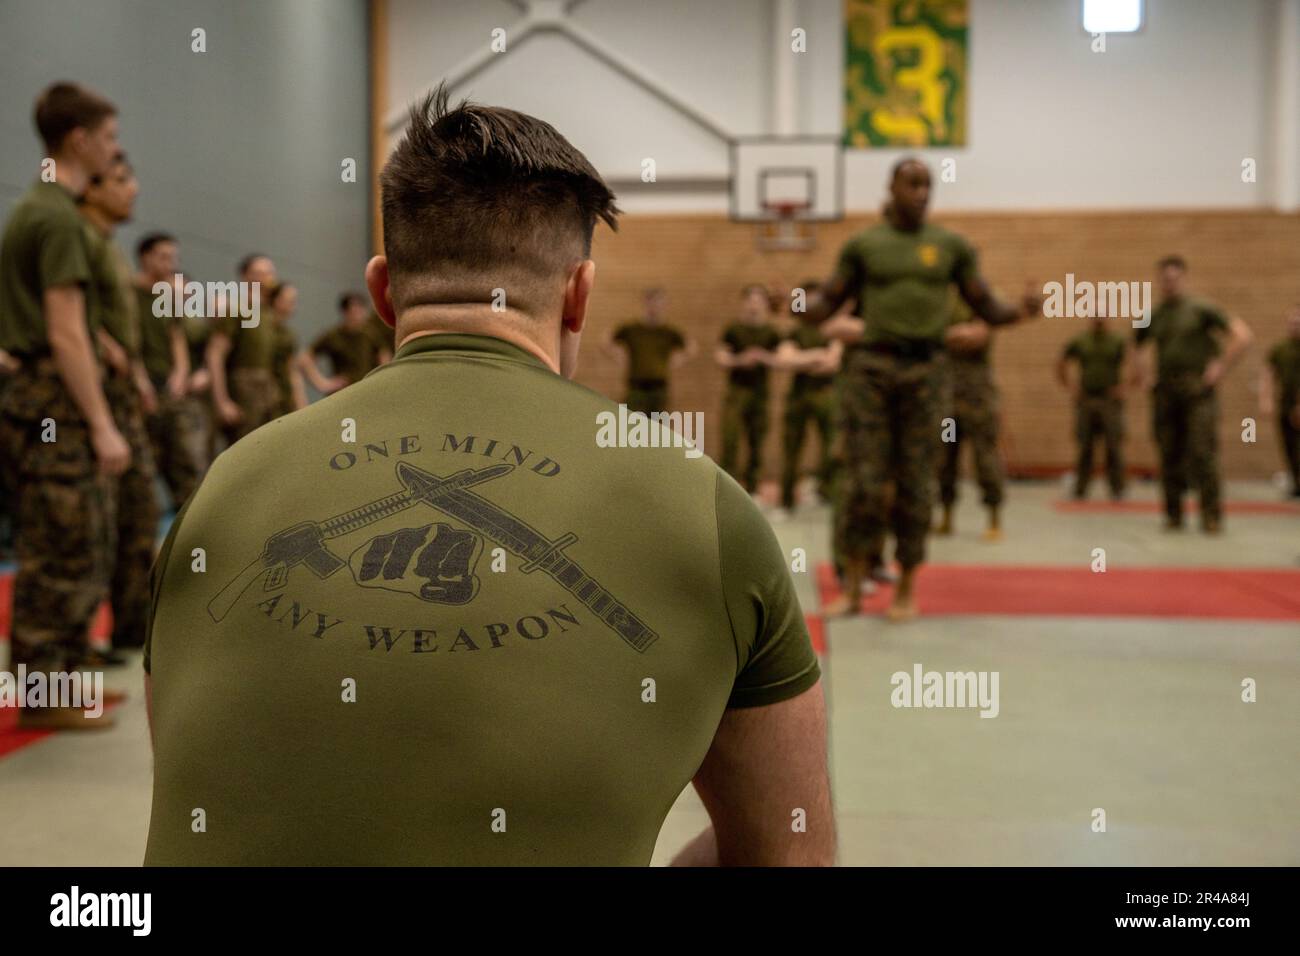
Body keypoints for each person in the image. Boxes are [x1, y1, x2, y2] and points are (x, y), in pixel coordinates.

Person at [144, 88, 833, 866]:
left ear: (381, 292)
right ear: (579, 297)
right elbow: (794, 852)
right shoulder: (705, 507)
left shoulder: (222, 488)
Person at [795, 157, 1039, 621]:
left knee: (916, 481)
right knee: (862, 482)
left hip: (927, 373)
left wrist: (1023, 311)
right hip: (870, 370)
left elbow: (985, 303)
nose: (922, 192)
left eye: (927, 184)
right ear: (892, 187)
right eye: (913, 184)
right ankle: (854, 583)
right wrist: (792, 303)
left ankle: (906, 584)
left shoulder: (951, 247)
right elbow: (827, 302)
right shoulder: (865, 245)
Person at [0, 82, 126, 730]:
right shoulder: (56, 217)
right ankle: (46, 700)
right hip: (55, 404)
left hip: (36, 397)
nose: (114, 149)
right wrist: (102, 424)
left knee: (71, 541)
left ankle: (65, 684)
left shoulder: (41, 208)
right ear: (78, 139)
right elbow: (64, 329)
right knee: (63, 548)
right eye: (108, 137)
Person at [80, 152, 158, 660]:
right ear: (92, 187)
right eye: (122, 180)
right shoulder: (78, 238)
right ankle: (66, 654)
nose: (132, 189)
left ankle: (129, 626)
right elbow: (69, 315)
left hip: (123, 395)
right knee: (86, 525)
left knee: (137, 515)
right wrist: (108, 349)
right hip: (93, 399)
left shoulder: (109, 249)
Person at [1132, 256, 1252, 533]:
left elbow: (1242, 335)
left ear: (1183, 278)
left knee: (1202, 452)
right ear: (1159, 280)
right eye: (1165, 279)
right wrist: (1144, 376)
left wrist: (1220, 366)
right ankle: (1173, 515)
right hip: (1166, 392)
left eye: (1174, 278)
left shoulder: (1201, 309)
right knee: (1168, 453)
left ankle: (1211, 516)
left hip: (1198, 392)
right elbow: (1135, 345)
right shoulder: (1153, 314)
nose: (1169, 283)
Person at [135, 233, 208, 508]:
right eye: (163, 257)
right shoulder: (128, 292)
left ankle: (189, 534)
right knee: (143, 466)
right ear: (146, 257)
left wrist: (180, 371)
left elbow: (176, 336)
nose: (170, 263)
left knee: (189, 462)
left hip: (171, 387)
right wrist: (140, 382)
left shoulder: (167, 299)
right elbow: (128, 342)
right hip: (141, 388)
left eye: (173, 258)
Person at [934, 312, 1005, 539]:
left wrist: (946, 336)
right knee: (945, 459)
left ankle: (993, 518)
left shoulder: (981, 303)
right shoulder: (944, 301)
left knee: (985, 460)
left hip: (978, 404)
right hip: (948, 406)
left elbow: (978, 336)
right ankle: (946, 516)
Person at [773, 280, 841, 515]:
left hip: (827, 396)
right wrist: (816, 357)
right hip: (798, 397)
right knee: (791, 448)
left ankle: (826, 491)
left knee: (832, 447)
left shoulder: (832, 329)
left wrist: (802, 360)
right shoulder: (795, 331)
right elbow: (784, 360)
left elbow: (833, 363)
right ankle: (786, 500)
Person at [206, 253, 280, 444]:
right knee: (245, 447)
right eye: (259, 273)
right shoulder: (236, 309)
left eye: (269, 272)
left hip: (266, 389)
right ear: (245, 276)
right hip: (243, 388)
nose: (266, 277)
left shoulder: (268, 313)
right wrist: (221, 401)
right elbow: (215, 354)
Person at [715, 285, 781, 495]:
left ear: (764, 304)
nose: (754, 304)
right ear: (744, 303)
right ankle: (727, 492)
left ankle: (752, 491)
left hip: (760, 393)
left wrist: (763, 357)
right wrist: (740, 360)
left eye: (758, 300)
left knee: (757, 442)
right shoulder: (733, 329)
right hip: (737, 392)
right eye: (750, 300)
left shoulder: (771, 332)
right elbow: (721, 357)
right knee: (730, 440)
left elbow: (782, 359)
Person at [1058, 315, 1128, 500]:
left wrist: (1125, 387)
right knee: (1084, 445)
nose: (1099, 318)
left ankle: (1117, 487)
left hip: (1109, 400)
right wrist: (1071, 386)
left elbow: (1134, 361)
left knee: (1113, 445)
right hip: (1087, 399)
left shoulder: (1117, 340)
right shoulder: (1081, 340)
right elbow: (1062, 360)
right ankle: (1081, 487)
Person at [603, 287, 694, 415]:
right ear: (646, 303)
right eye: (653, 302)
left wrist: (674, 362)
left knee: (658, 425)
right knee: (630, 422)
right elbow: (608, 339)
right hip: (636, 385)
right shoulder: (632, 329)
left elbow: (690, 347)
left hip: (659, 387)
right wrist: (619, 357)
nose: (655, 307)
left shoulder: (668, 331)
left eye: (659, 303)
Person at [298, 291, 387, 396]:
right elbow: (305, 358)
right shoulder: (333, 335)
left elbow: (384, 355)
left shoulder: (370, 334)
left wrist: (381, 381)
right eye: (355, 311)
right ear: (345, 312)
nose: (359, 315)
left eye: (361, 310)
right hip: (342, 393)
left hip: (365, 392)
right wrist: (323, 383)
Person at [1259, 304, 1300, 497]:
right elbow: (1268, 373)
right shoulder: (1281, 349)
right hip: (1286, 404)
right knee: (1289, 445)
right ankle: (1296, 482)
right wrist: (1265, 399)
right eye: (1292, 322)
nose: (1294, 326)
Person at [266, 281, 307, 415]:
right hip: (262, 398)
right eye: (290, 300)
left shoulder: (288, 335)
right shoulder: (260, 329)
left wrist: (301, 405)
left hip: (282, 398)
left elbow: (292, 370)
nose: (293, 305)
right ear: (276, 300)